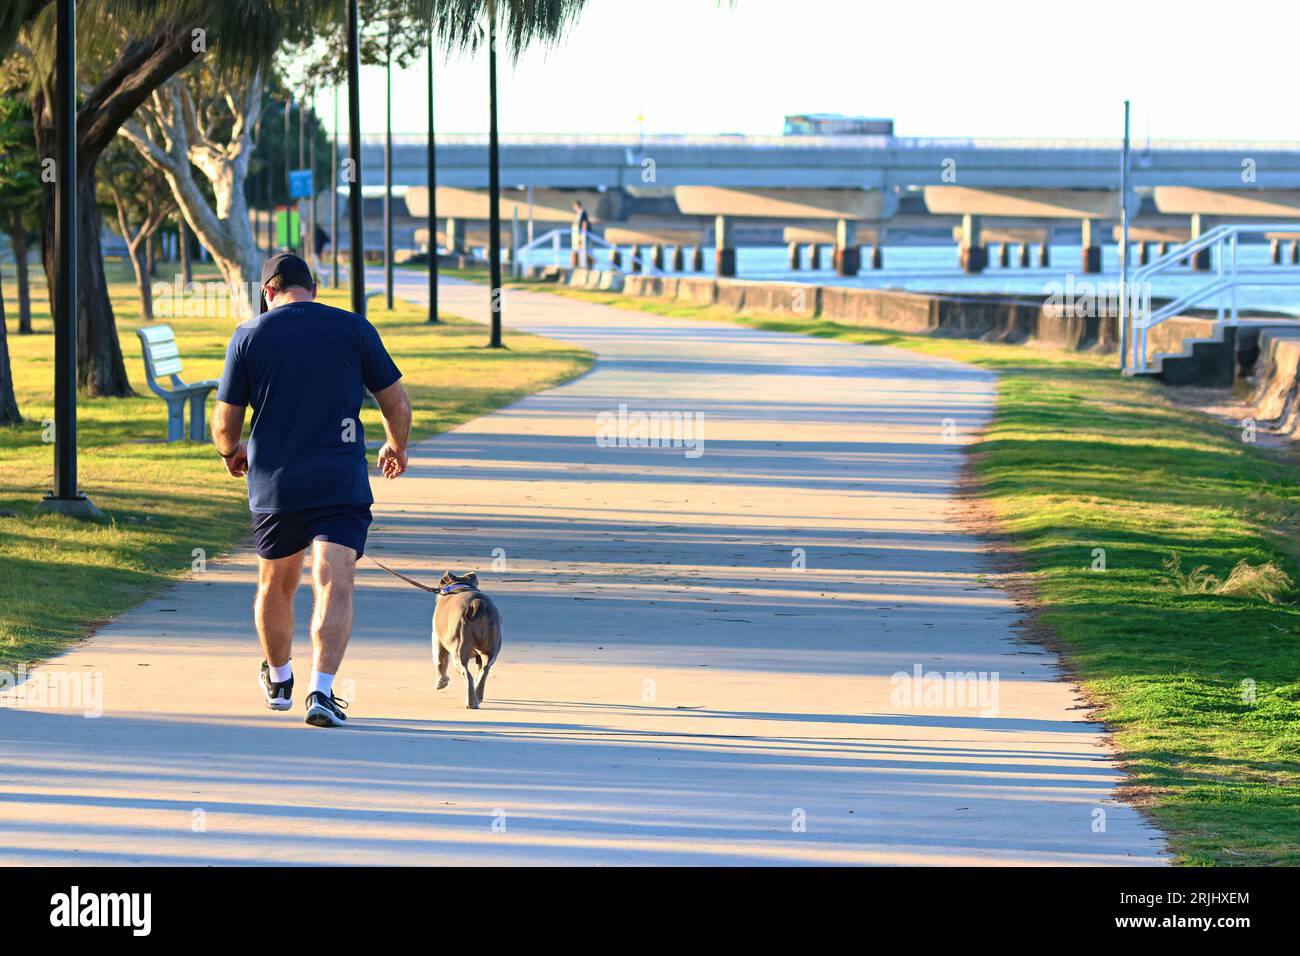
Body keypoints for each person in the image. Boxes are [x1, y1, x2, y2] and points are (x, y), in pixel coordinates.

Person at [211, 252, 412, 728]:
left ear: (267, 293)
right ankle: (321, 692)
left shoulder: (248, 336)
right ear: (313, 289)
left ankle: (280, 680)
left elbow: (225, 421)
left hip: (276, 482)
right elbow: (396, 402)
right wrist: (396, 447)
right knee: (334, 578)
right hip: (339, 479)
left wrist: (231, 452)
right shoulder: (354, 328)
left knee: (277, 583)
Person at [572, 200, 591, 265]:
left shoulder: (583, 213)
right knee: (578, 249)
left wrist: (582, 234)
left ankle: (586, 263)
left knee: (585, 248)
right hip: (577, 235)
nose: (574, 208)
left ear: (577, 206)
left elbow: (584, 223)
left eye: (575, 206)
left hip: (583, 234)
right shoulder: (578, 213)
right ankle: (579, 263)